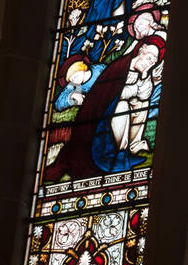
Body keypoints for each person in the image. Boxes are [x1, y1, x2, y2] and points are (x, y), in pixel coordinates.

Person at [45, 36, 165, 182]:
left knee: (142, 104)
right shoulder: (119, 66)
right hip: (104, 115)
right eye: (149, 58)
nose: (150, 62)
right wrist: (73, 96)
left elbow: (144, 95)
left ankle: (134, 146)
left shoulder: (142, 71)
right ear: (141, 51)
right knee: (123, 106)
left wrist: (145, 76)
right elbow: (114, 93)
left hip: (122, 106)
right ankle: (120, 152)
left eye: (154, 61)